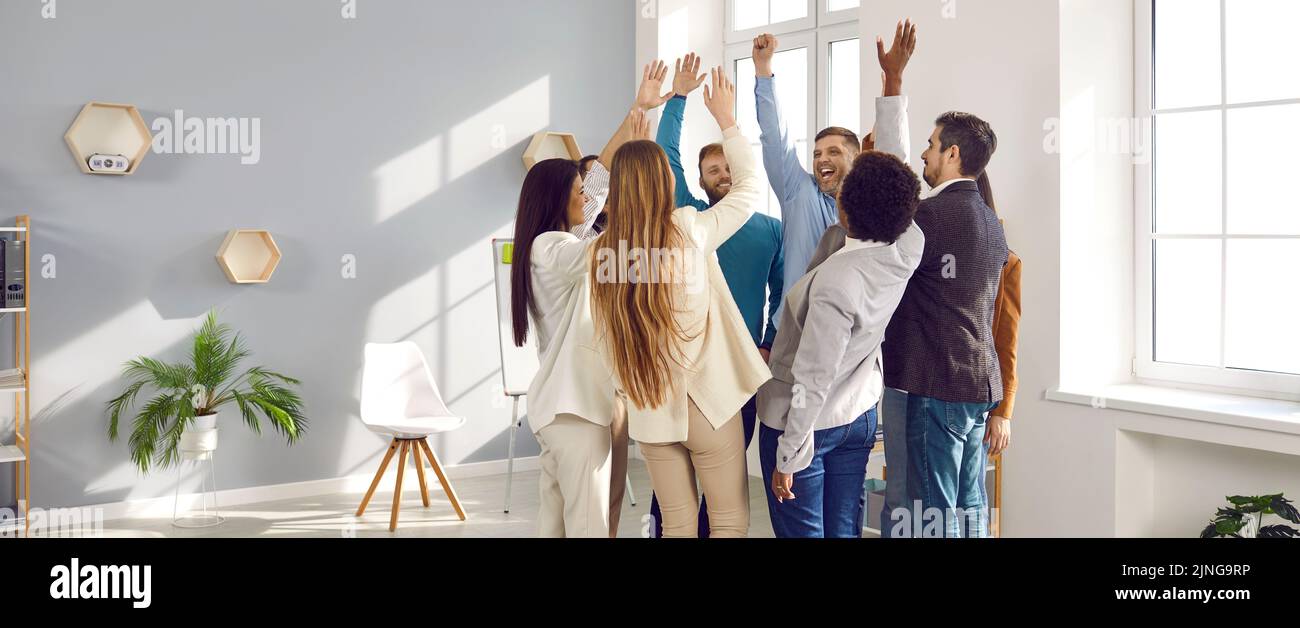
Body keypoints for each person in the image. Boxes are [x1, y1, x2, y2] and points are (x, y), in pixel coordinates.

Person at [588, 68, 768, 538]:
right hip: (707, 403)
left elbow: (588, 200)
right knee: (728, 522)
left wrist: (637, 115)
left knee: (677, 524)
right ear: (663, 180)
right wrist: (728, 122)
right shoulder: (687, 229)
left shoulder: (600, 254)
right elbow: (749, 193)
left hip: (649, 408)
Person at [646, 52, 784, 538]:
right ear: (699, 180)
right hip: (677, 376)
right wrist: (678, 101)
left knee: (714, 492)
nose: (723, 174)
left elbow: (781, 291)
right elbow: (665, 156)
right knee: (678, 503)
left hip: (734, 373)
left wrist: (766, 342)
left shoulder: (769, 229)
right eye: (712, 169)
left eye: (728, 166)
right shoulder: (690, 220)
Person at [757, 150, 923, 538]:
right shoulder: (904, 252)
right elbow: (903, 199)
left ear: (848, 206)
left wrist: (790, 453)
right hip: (859, 415)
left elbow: (813, 377)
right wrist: (892, 96)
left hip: (806, 424)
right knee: (844, 532)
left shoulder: (838, 281)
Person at [510, 108, 649, 538]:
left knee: (559, 522)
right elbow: (598, 246)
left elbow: (596, 187)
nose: (587, 199)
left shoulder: (555, 242)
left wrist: (636, 114)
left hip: (570, 408)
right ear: (556, 199)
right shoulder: (551, 247)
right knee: (592, 523)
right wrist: (640, 184)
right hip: (576, 410)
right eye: (577, 191)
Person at [884, 111, 1008, 538]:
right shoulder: (993, 221)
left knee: (932, 512)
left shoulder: (928, 216)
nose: (924, 152)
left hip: (938, 384)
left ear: (952, 153)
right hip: (979, 385)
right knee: (969, 503)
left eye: (931, 144)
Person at [753, 20, 916, 299]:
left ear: (856, 158)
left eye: (833, 152)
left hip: (850, 330)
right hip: (795, 332)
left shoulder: (868, 205)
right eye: (817, 154)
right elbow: (774, 137)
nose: (821, 159)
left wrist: (893, 83)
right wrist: (763, 71)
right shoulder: (799, 193)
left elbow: (894, 163)